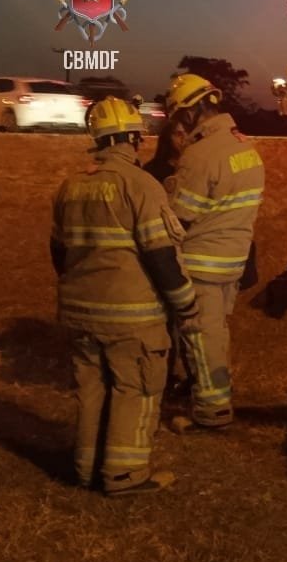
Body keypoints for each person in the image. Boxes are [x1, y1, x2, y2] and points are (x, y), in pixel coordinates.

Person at [51, 97, 199, 496]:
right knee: (136, 389)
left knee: (92, 389)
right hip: (131, 317)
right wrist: (186, 302)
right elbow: (161, 255)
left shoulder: (72, 185)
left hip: (81, 313)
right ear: (134, 137)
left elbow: (59, 252)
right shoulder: (141, 185)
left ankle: (85, 470)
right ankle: (124, 476)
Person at [162, 73, 265, 430]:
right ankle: (209, 392)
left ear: (190, 113)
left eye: (177, 116)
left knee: (200, 336)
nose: (177, 125)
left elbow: (178, 218)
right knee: (215, 333)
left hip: (201, 262)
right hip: (232, 260)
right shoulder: (243, 146)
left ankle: (212, 412)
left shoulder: (200, 155)